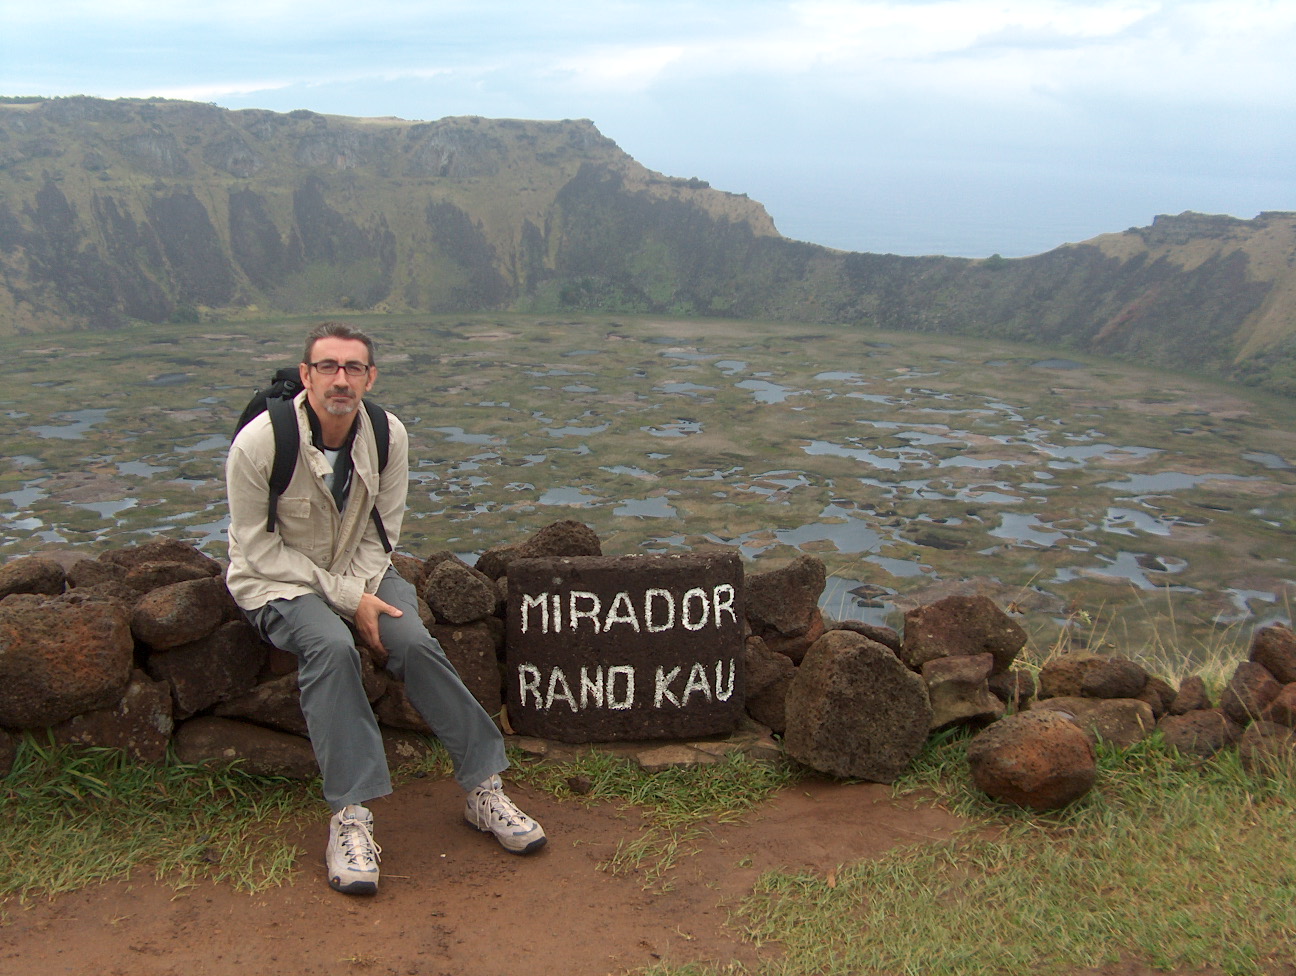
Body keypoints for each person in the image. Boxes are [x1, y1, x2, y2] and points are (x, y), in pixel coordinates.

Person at [225, 321, 545, 896]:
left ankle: (483, 788)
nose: (340, 379)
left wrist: (364, 594)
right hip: (277, 582)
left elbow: (382, 533)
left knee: (415, 643)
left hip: (362, 569)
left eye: (353, 368)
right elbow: (257, 547)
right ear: (306, 375)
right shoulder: (260, 443)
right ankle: (350, 814)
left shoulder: (387, 434)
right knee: (330, 644)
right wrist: (349, 602)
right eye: (327, 366)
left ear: (369, 377)